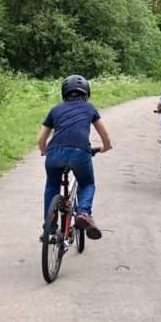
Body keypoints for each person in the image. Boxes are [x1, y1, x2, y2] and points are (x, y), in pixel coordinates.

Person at [37, 74, 112, 241]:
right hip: (80, 152)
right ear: (86, 93)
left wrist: (44, 151)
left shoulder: (55, 110)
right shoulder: (89, 108)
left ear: (65, 93)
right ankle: (84, 212)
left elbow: (41, 139)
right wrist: (105, 147)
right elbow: (104, 133)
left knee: (51, 186)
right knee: (87, 184)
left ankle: (49, 229)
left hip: (54, 153)